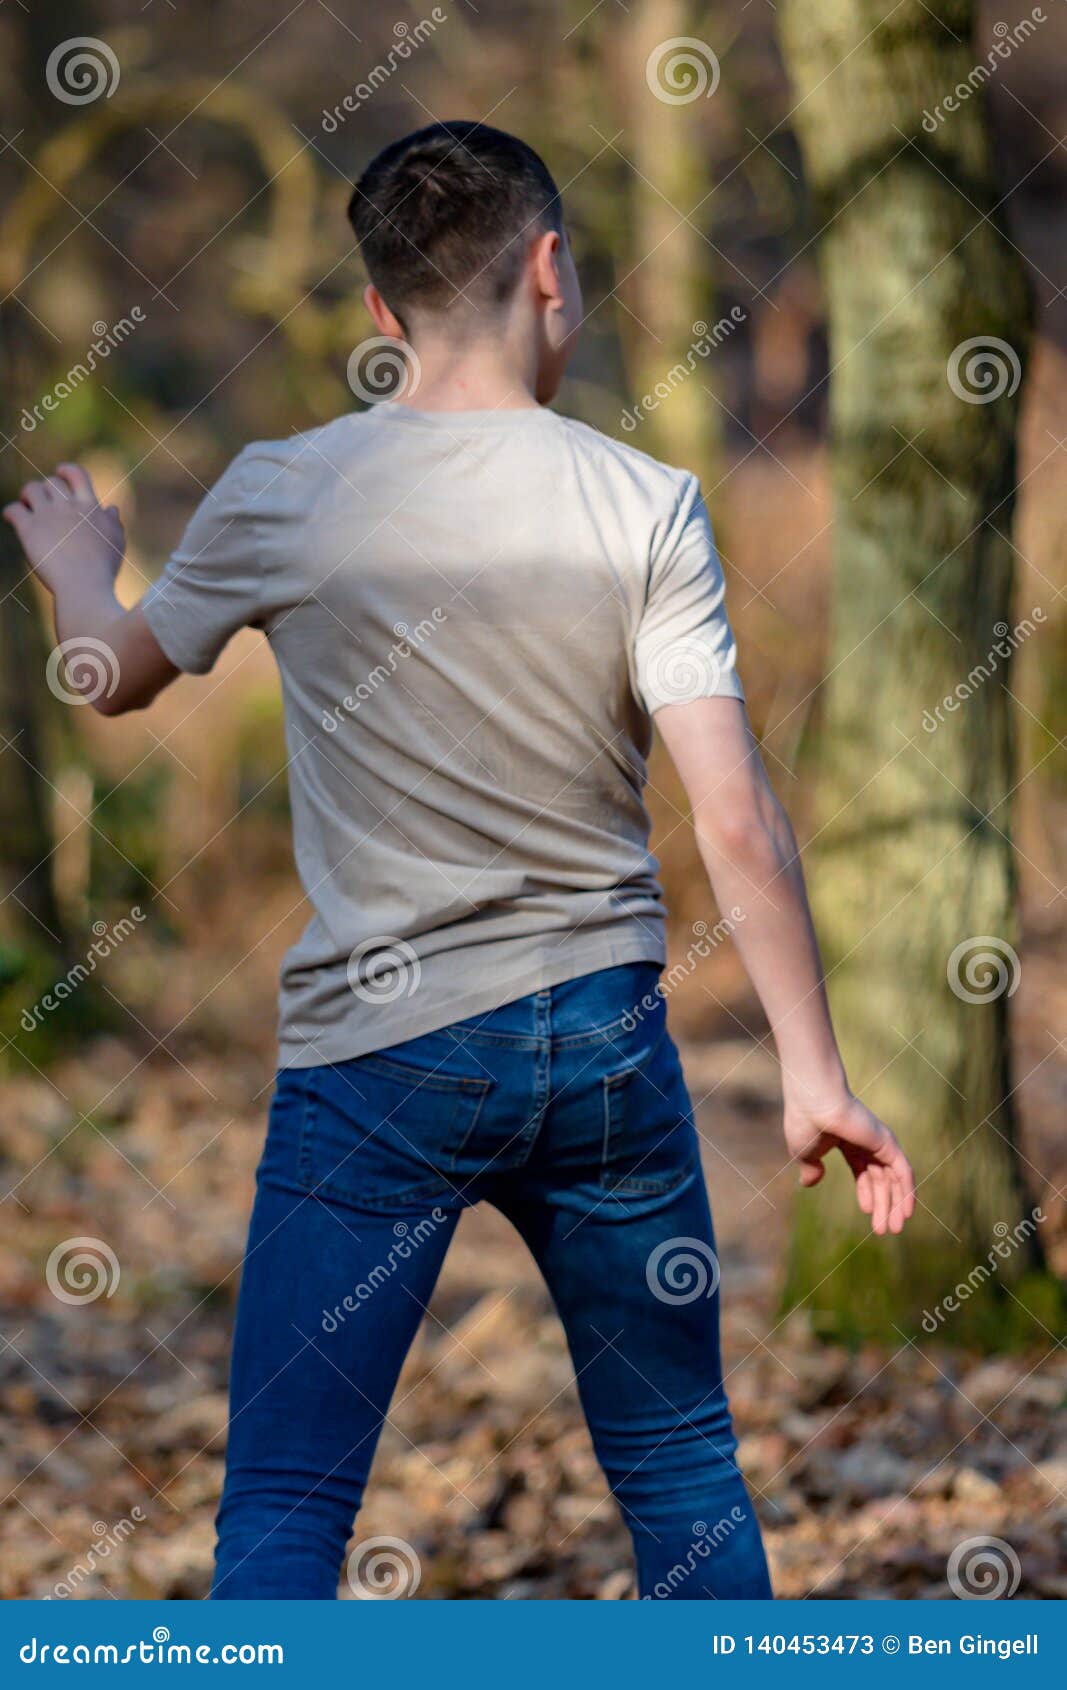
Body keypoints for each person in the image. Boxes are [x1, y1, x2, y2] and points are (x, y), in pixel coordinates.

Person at [4, 121, 914, 1602]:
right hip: (608, 1047)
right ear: (550, 269)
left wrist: (69, 571)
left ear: (379, 310)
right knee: (683, 1472)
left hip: (381, 1060)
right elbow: (737, 813)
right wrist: (815, 1076)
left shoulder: (286, 489)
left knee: (289, 1507)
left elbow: (111, 676)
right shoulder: (644, 501)